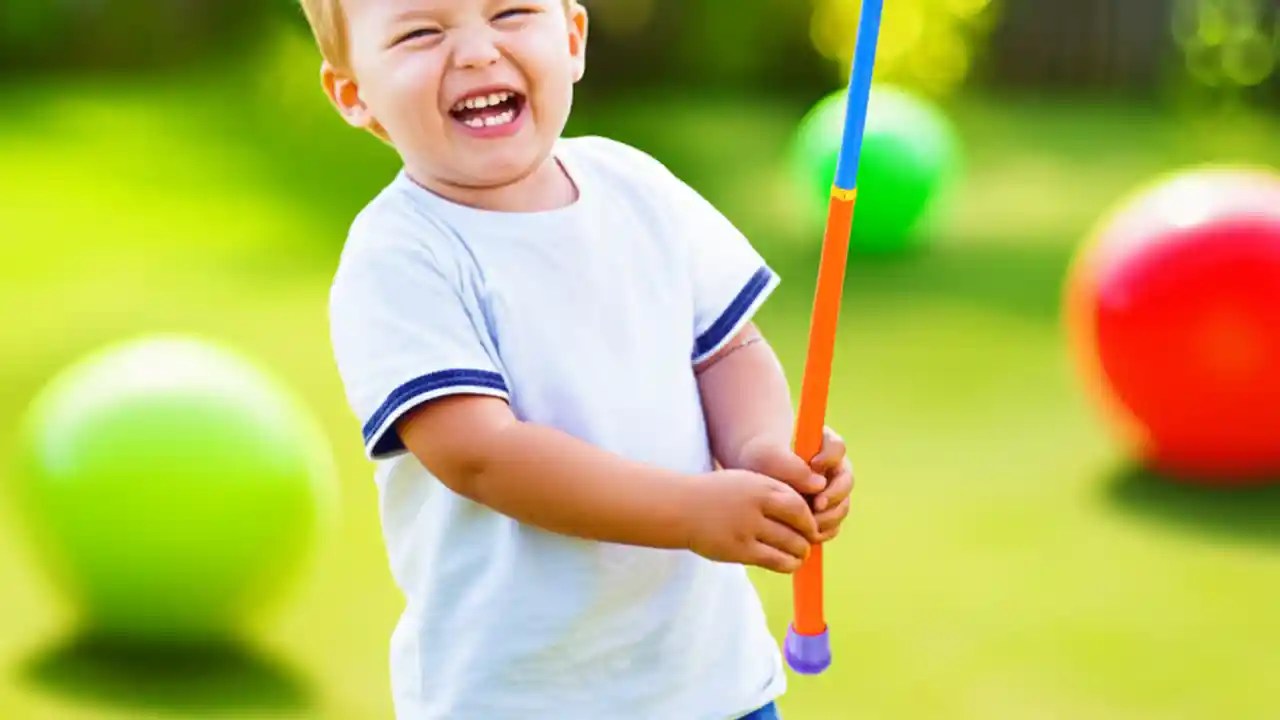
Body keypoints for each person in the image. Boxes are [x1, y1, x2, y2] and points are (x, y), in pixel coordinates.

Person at [302, 0, 855, 717]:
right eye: (420, 32)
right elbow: (479, 455)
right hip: (520, 696)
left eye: (510, 12)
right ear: (354, 94)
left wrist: (761, 453)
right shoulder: (401, 255)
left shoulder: (638, 188)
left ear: (571, 37)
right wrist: (689, 511)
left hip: (711, 683)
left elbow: (728, 350)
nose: (475, 52)